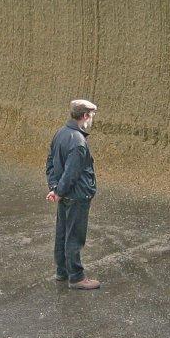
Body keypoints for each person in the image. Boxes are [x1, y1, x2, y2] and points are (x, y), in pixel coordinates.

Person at [46, 99, 100, 290]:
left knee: (62, 233)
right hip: (77, 196)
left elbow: (50, 162)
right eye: (91, 116)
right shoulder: (78, 142)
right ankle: (76, 277)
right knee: (75, 236)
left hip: (65, 194)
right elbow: (72, 173)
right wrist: (59, 191)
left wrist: (54, 188)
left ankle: (62, 271)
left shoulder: (60, 133)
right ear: (85, 116)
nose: (92, 119)